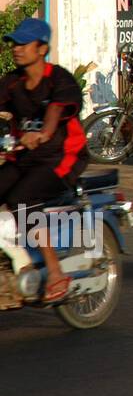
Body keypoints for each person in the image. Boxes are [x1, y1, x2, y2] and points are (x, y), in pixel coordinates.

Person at [0, 18, 87, 303]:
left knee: (23, 198)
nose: (16, 48)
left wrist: (43, 133)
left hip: (62, 157)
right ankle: (16, 258)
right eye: (14, 43)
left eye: (24, 43)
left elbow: (56, 111)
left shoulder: (59, 79)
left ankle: (55, 273)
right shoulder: (12, 82)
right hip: (25, 157)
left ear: (42, 48)